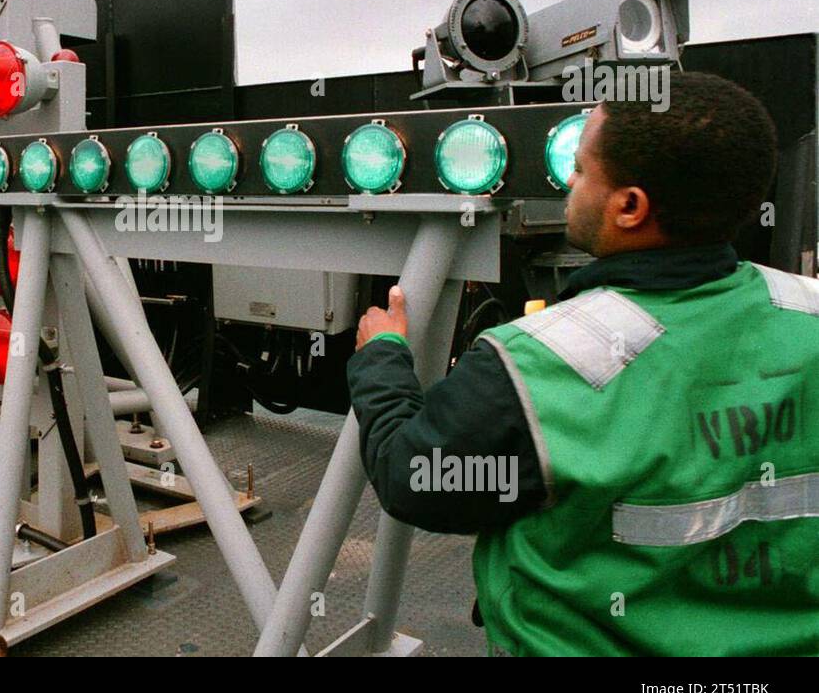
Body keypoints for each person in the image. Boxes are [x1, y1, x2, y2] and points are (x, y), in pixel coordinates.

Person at [348, 71, 819, 655]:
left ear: (629, 206)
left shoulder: (538, 366)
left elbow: (411, 476)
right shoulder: (809, 316)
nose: (568, 182)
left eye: (580, 168)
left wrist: (383, 359)